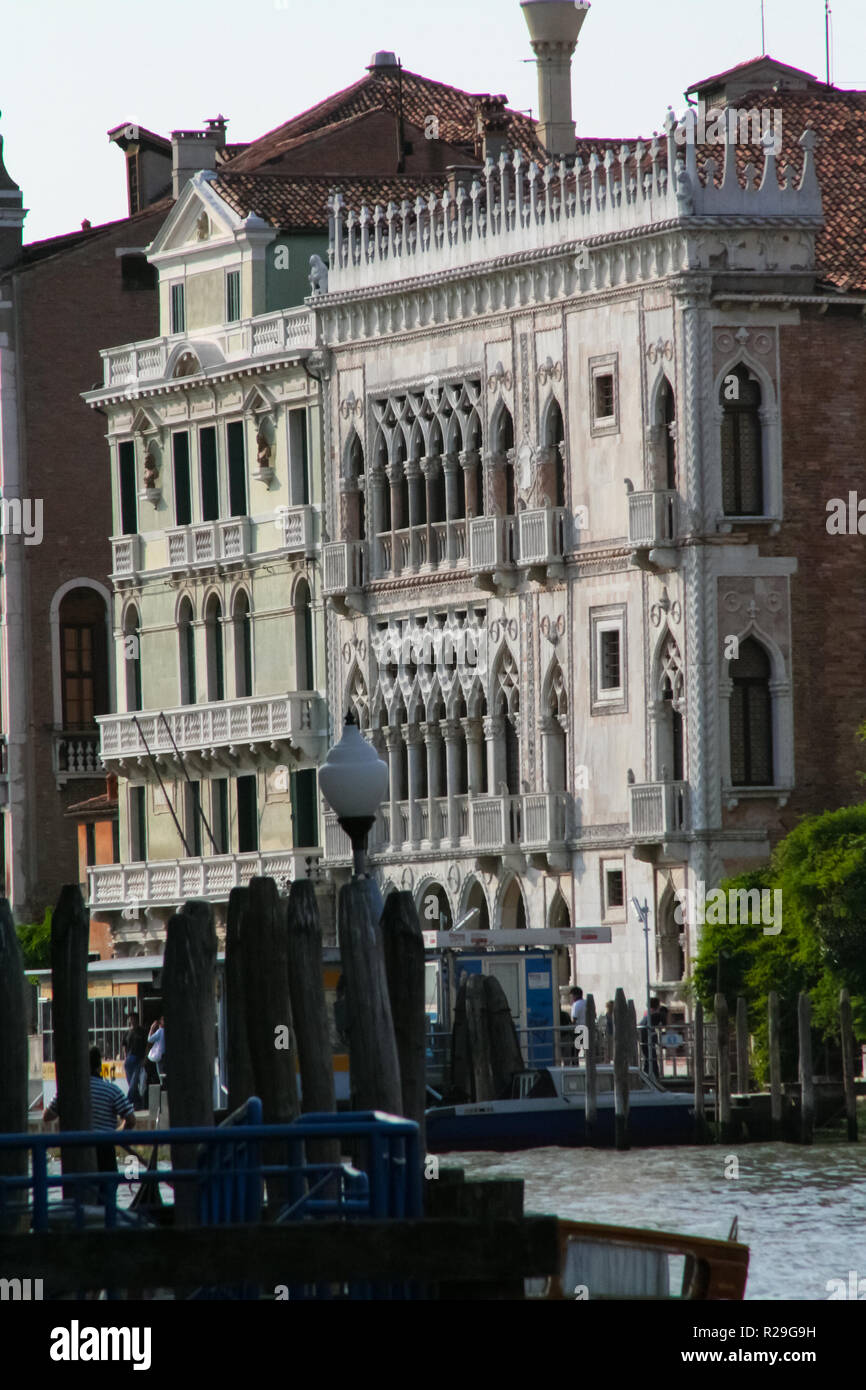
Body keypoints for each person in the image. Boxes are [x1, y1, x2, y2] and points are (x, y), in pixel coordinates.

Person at [44, 1045, 135, 1174]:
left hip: (77, 1153)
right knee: (106, 1189)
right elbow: (131, 1120)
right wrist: (115, 1134)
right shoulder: (112, 1090)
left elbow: (47, 1116)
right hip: (105, 1151)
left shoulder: (68, 1091)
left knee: (79, 1190)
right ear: (99, 1067)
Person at [123, 1011, 146, 1110]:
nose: (131, 1020)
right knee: (130, 1082)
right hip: (129, 1060)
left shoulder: (142, 1032)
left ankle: (127, 1102)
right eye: (130, 1019)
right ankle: (138, 1103)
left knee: (133, 1082)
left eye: (133, 1018)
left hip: (138, 1059)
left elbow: (147, 1045)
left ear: (136, 1019)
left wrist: (144, 1058)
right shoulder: (127, 1032)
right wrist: (125, 1058)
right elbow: (124, 1046)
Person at [146, 1016, 165, 1087]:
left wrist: (152, 1028)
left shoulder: (160, 1031)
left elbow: (150, 1039)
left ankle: (163, 1086)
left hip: (161, 1055)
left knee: (161, 1074)